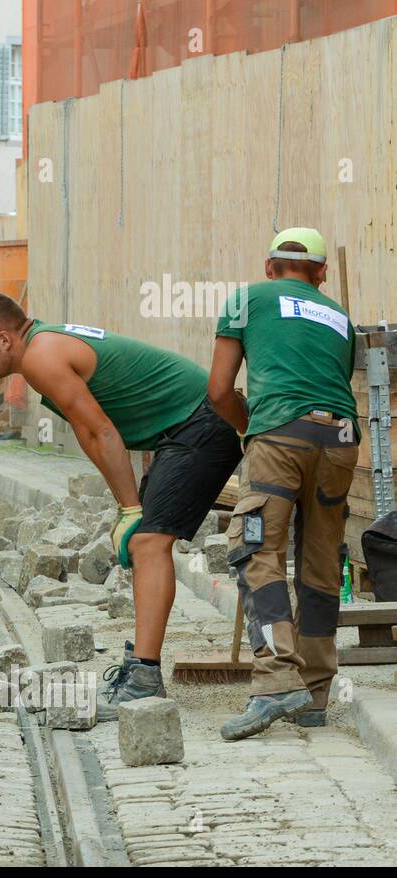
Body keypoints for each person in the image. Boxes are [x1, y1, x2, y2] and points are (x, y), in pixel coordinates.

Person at [0, 293, 243, 719]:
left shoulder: (41, 357)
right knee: (145, 545)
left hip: (199, 422)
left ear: (3, 339)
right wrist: (125, 506)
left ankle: (144, 678)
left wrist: (130, 509)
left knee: (147, 542)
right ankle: (140, 669)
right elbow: (95, 435)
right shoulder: (43, 346)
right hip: (184, 425)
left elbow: (102, 433)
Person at [208, 228, 359, 740]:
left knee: (256, 549)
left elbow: (219, 390)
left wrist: (252, 425)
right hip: (341, 440)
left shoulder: (248, 299)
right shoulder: (340, 317)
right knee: (320, 559)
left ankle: (275, 681)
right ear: (320, 274)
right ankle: (315, 693)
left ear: (271, 267)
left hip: (280, 435)